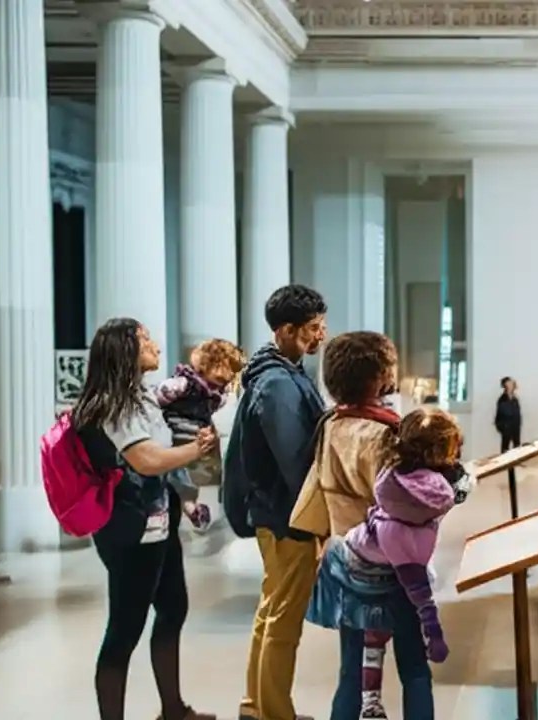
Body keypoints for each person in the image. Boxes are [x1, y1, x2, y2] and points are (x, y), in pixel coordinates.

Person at [72, 318, 217, 720]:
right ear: (124, 350)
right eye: (145, 340)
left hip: (156, 518)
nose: (154, 345)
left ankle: (173, 708)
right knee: (124, 628)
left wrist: (185, 499)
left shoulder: (139, 397)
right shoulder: (113, 403)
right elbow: (146, 459)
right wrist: (197, 450)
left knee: (173, 607)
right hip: (130, 528)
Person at [306, 407, 463, 720]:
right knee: (415, 671)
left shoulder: (388, 480)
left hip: (353, 575)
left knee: (350, 674)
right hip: (397, 586)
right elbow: (415, 582)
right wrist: (433, 631)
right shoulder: (431, 506)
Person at [288, 331, 402, 720]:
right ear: (378, 376)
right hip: (383, 559)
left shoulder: (331, 424)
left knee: (349, 665)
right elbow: (396, 499)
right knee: (401, 659)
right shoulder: (386, 431)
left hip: (340, 554)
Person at [230, 285, 328, 720]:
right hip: (287, 516)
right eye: (311, 329)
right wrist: (318, 521)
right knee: (284, 623)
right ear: (285, 330)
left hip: (274, 512)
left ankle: (256, 705)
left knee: (271, 610)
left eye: (322, 326)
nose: (320, 336)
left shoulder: (279, 372)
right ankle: (274, 712)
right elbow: (295, 462)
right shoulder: (276, 383)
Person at [153, 338, 245, 532]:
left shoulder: (216, 395)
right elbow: (154, 401)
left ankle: (188, 506)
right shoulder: (182, 384)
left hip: (194, 441)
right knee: (173, 473)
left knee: (183, 475)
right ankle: (188, 507)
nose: (227, 376)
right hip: (169, 436)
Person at [494, 376, 522, 453]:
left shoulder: (515, 399)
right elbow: (506, 413)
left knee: (517, 446)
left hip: (515, 426)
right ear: (506, 386)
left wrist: (518, 424)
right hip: (506, 426)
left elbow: (517, 413)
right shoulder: (502, 399)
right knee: (505, 447)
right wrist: (503, 427)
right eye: (510, 383)